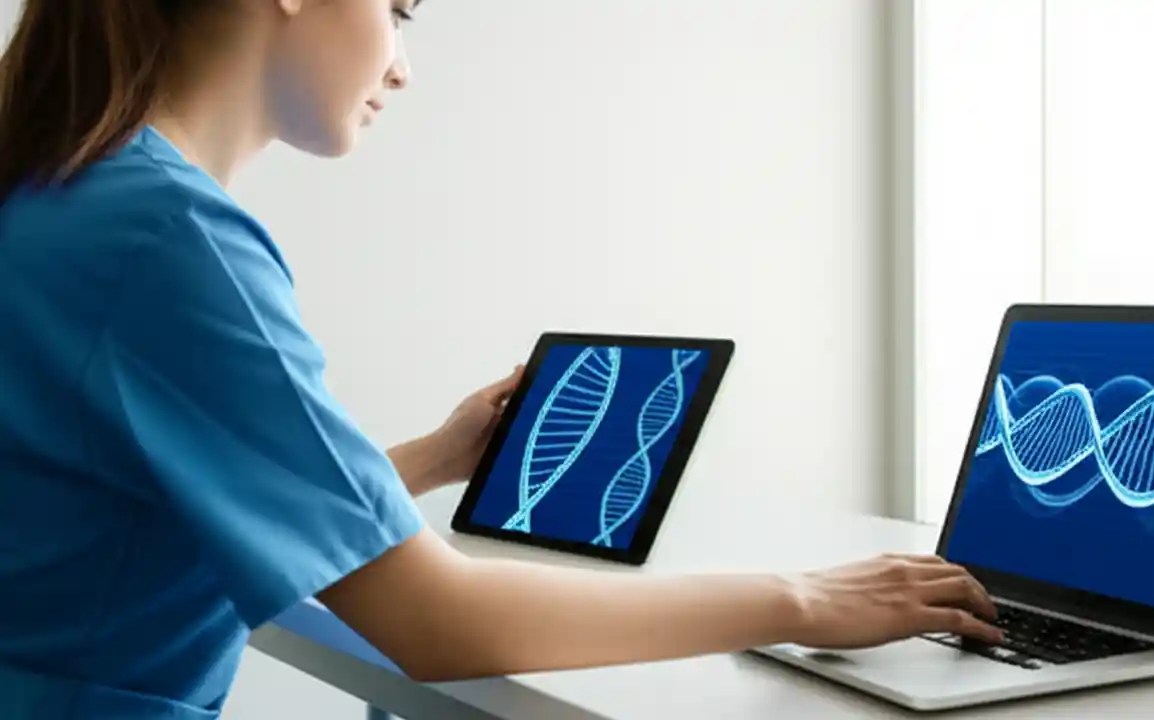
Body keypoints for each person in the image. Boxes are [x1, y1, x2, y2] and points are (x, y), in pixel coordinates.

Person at [0, 1, 1002, 717]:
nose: (401, 64)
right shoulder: (173, 240)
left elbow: (144, 506)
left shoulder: (62, 195)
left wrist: (435, 459)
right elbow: (437, 623)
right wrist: (801, 601)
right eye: (400, 9)